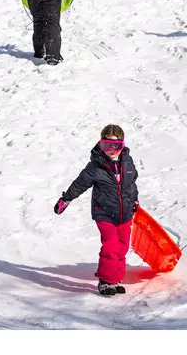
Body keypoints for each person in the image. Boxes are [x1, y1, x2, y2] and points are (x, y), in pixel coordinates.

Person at [54, 124, 139, 296]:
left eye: (116, 146)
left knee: (122, 246)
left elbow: (131, 184)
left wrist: (134, 200)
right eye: (107, 145)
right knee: (111, 245)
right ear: (101, 145)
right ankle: (106, 281)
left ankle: (115, 278)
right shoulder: (95, 167)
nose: (112, 150)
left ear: (122, 145)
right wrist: (66, 198)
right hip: (104, 213)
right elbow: (79, 184)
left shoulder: (128, 163)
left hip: (125, 214)